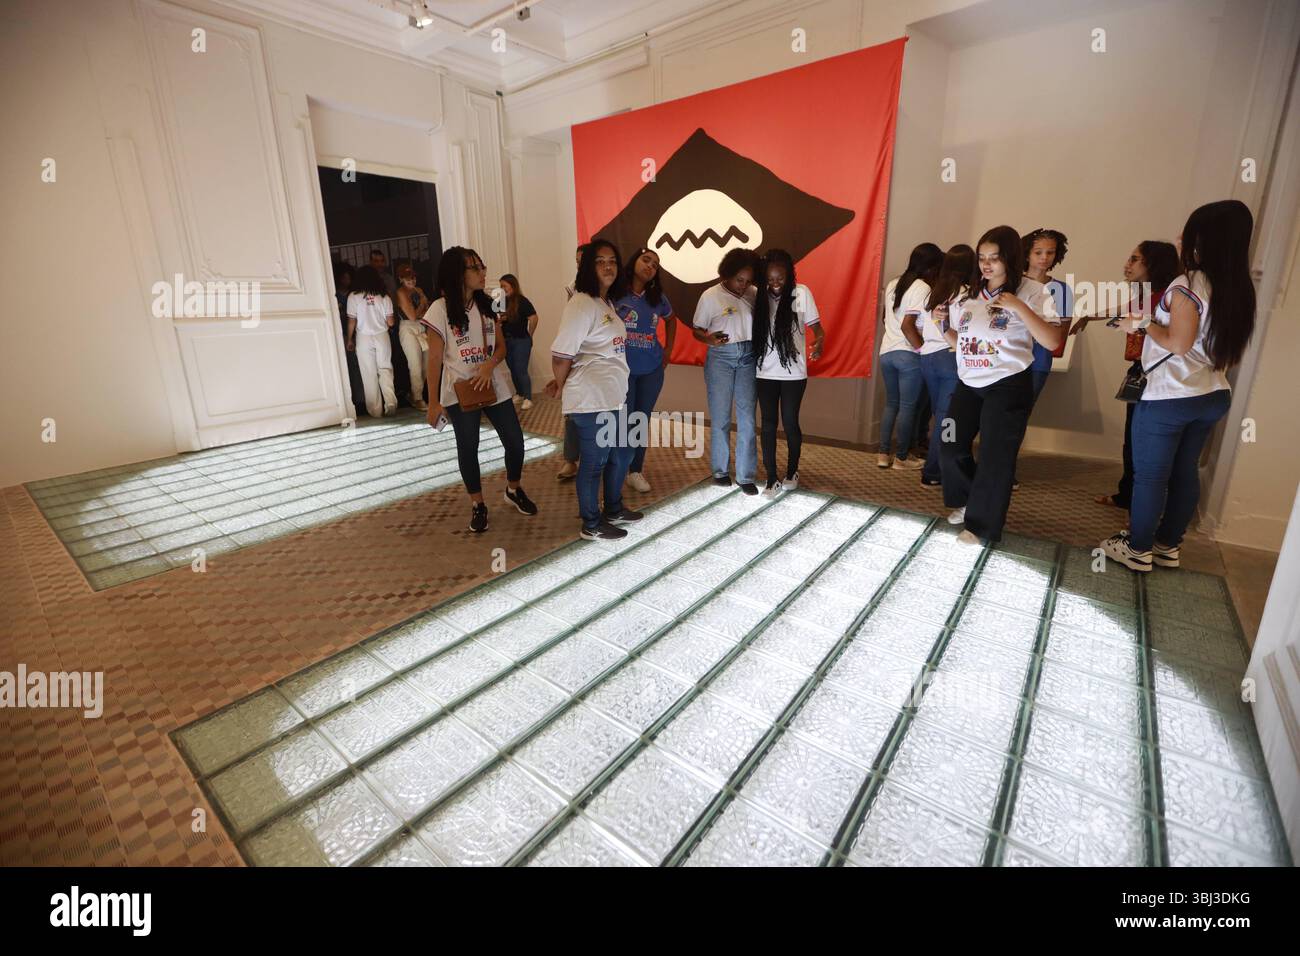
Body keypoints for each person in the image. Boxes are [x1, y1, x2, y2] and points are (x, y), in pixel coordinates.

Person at [1101, 200, 1256, 572]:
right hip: (1212, 393)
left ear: (1203, 239)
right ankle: (1168, 545)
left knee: (1151, 476)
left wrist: (1141, 324)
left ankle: (1138, 549)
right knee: (1184, 471)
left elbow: (1178, 343)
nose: (1178, 238)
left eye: (1187, 233)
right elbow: (1226, 353)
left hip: (1170, 394)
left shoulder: (1187, 284)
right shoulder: (1238, 288)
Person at [940, 226, 1062, 544]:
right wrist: (943, 327)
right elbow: (961, 344)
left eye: (994, 258)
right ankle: (971, 500)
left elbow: (1052, 340)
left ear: (1009, 257)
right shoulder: (969, 295)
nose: (986, 264)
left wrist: (1018, 306)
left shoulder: (1034, 291)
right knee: (949, 444)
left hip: (1007, 384)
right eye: (982, 257)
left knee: (996, 456)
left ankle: (981, 525)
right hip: (969, 382)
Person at [422, 246, 537, 533]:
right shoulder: (439, 309)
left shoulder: (490, 303)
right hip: (459, 389)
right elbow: (434, 359)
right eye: (475, 267)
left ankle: (513, 489)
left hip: (492, 384)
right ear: (457, 274)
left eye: (481, 265)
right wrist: (433, 402)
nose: (483, 271)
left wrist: (488, 366)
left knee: (515, 441)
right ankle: (478, 504)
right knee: (468, 446)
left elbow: (501, 347)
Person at [1073, 241, 1179, 510]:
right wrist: (1089, 316)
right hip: (1140, 371)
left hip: (1156, 376)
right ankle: (1127, 497)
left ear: (1153, 264)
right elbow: (1124, 308)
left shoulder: (1169, 297)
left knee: (1142, 442)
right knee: (1132, 439)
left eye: (1134, 259)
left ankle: (1139, 507)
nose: (1127, 265)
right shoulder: (1148, 294)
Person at [547, 239, 641, 540]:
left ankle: (613, 509)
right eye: (600, 261)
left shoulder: (604, 302)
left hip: (611, 395)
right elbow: (561, 354)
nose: (608, 266)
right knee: (594, 463)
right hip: (590, 398)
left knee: (618, 455)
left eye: (612, 261)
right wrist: (561, 384)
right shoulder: (581, 303)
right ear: (588, 267)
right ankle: (591, 523)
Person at [753, 248, 823, 496]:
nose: (775, 284)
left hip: (794, 373)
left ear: (789, 275)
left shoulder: (800, 293)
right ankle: (771, 478)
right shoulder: (759, 296)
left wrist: (819, 342)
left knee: (790, 422)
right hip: (764, 372)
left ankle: (792, 471)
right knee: (768, 424)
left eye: (780, 279)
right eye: (770, 279)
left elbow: (817, 328)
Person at [693, 248, 761, 495]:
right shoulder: (710, 296)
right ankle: (720, 471)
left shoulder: (754, 294)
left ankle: (745, 475)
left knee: (747, 418)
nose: (744, 286)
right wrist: (709, 339)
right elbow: (697, 330)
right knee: (721, 417)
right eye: (739, 280)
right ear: (727, 274)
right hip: (720, 357)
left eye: (748, 281)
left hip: (748, 356)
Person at [616, 248, 677, 494]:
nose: (650, 266)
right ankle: (616, 469)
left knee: (640, 420)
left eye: (655, 264)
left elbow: (671, 320)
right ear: (634, 262)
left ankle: (635, 471)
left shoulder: (657, 298)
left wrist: (668, 351)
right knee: (622, 421)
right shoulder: (615, 293)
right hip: (622, 370)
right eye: (646, 260)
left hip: (651, 369)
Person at [878, 243, 944, 470]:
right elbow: (908, 326)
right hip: (908, 354)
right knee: (908, 407)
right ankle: (902, 458)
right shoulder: (922, 287)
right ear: (932, 266)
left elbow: (885, 318)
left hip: (886, 352)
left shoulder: (893, 283)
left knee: (891, 405)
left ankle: (883, 454)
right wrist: (922, 351)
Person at [918, 244, 976, 488]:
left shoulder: (933, 293)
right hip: (950, 357)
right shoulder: (966, 296)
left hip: (927, 357)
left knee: (940, 417)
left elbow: (921, 326)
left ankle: (936, 469)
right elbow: (966, 332)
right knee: (947, 419)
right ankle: (934, 471)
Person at [345, 266, 399, 418]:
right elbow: (391, 322)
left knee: (368, 372)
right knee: (385, 368)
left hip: (363, 337)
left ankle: (375, 410)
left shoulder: (353, 297)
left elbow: (351, 321)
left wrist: (349, 339)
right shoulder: (385, 297)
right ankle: (390, 402)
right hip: (382, 336)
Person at [557, 244, 588, 481]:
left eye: (583, 261)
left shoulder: (611, 288)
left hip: (602, 360)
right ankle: (570, 460)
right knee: (572, 410)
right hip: (577, 355)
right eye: (577, 261)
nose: (579, 265)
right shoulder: (573, 287)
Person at [498, 273, 538, 411]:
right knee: (513, 369)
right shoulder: (500, 302)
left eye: (504, 286)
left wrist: (530, 335)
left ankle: (528, 398)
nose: (502, 289)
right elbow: (494, 318)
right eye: (500, 286)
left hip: (521, 340)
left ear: (513, 286)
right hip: (506, 341)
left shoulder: (522, 301)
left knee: (521, 369)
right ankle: (520, 394)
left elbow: (534, 318)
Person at [394, 263, 431, 411]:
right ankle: (418, 398)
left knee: (426, 365)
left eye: (413, 277)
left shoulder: (418, 289)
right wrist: (422, 303)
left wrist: (421, 308)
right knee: (415, 364)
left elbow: (428, 311)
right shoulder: (400, 292)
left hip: (421, 327)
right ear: (401, 279)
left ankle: (414, 394)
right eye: (407, 278)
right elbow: (412, 316)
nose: (411, 281)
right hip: (408, 327)